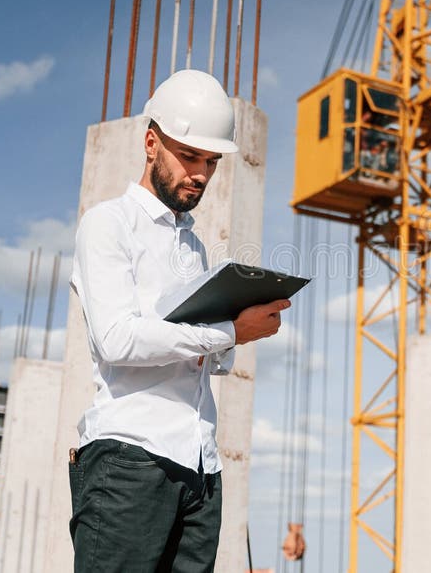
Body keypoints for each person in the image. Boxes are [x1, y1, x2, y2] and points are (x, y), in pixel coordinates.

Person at [67, 69, 289, 573]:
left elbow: (201, 358)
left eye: (210, 161)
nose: (202, 174)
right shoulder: (108, 223)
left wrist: (234, 330)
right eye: (189, 156)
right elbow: (117, 339)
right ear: (151, 143)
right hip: (129, 460)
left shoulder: (193, 245)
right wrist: (230, 331)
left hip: (200, 468)